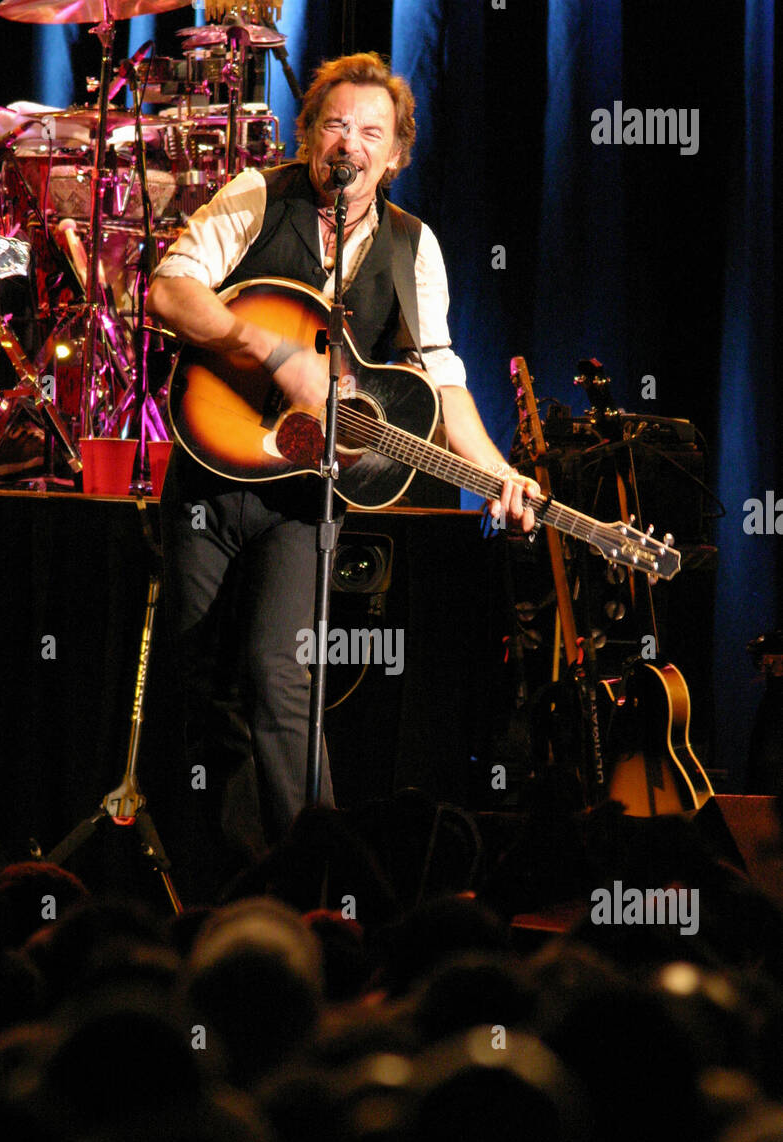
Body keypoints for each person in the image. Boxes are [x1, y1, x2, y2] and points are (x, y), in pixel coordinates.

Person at [146, 51, 539, 890]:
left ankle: (319, 883)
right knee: (196, 675)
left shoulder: (412, 246)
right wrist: (273, 352)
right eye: (335, 125)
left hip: (305, 500)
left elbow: (441, 377)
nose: (349, 144)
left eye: (371, 132)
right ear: (308, 134)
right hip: (212, 474)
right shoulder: (258, 194)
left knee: (281, 675)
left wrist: (497, 473)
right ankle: (213, 878)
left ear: (396, 154)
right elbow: (170, 292)